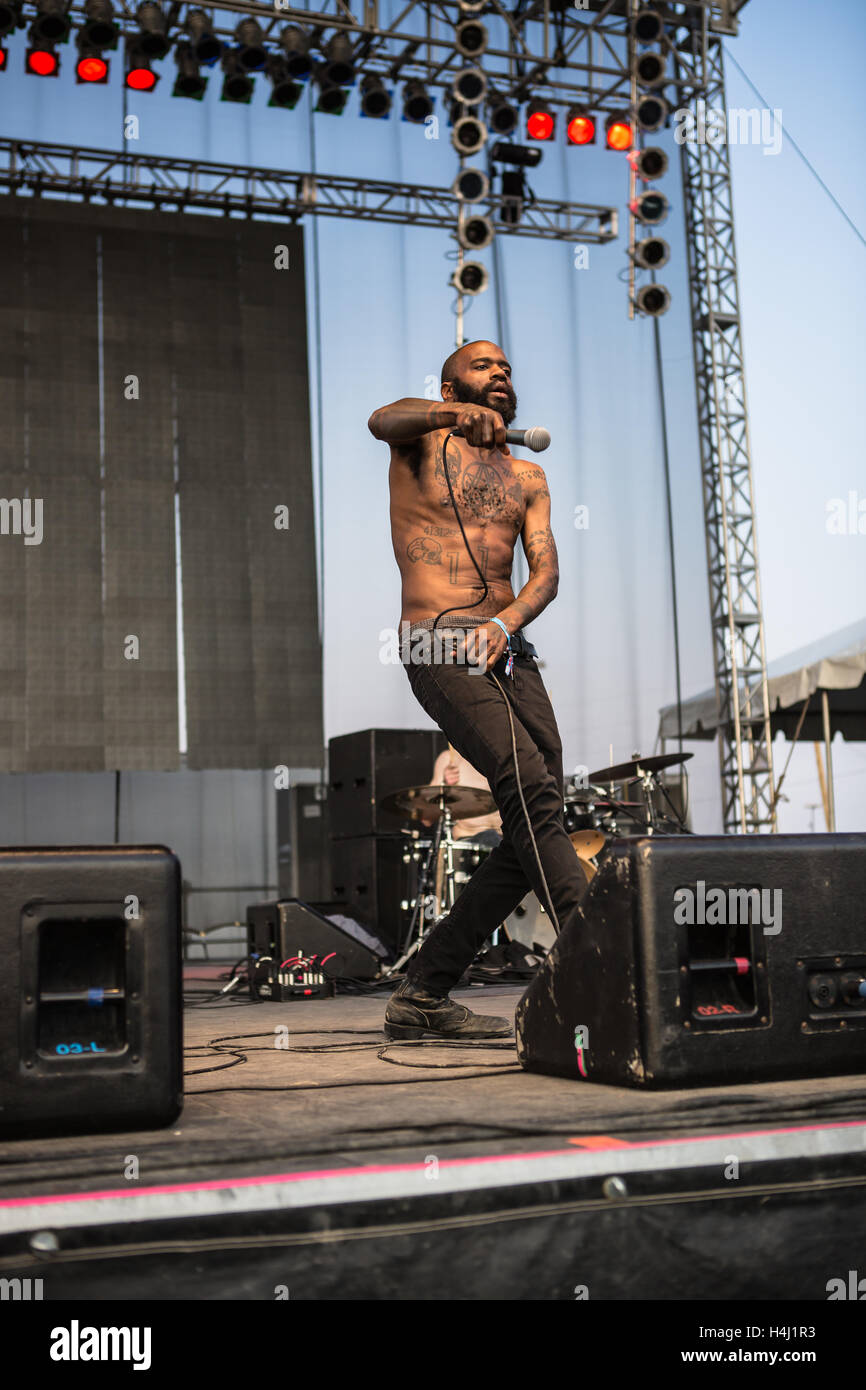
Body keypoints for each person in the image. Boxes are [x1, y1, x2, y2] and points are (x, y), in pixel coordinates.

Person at [368, 340, 586, 1041]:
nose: (502, 374)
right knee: (526, 781)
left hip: (508, 645)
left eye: (509, 368)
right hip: (435, 637)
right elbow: (380, 418)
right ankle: (602, 954)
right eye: (485, 365)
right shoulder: (419, 442)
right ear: (451, 383)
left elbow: (545, 574)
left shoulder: (529, 474)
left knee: (535, 811)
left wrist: (506, 621)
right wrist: (447, 417)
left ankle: (423, 992)